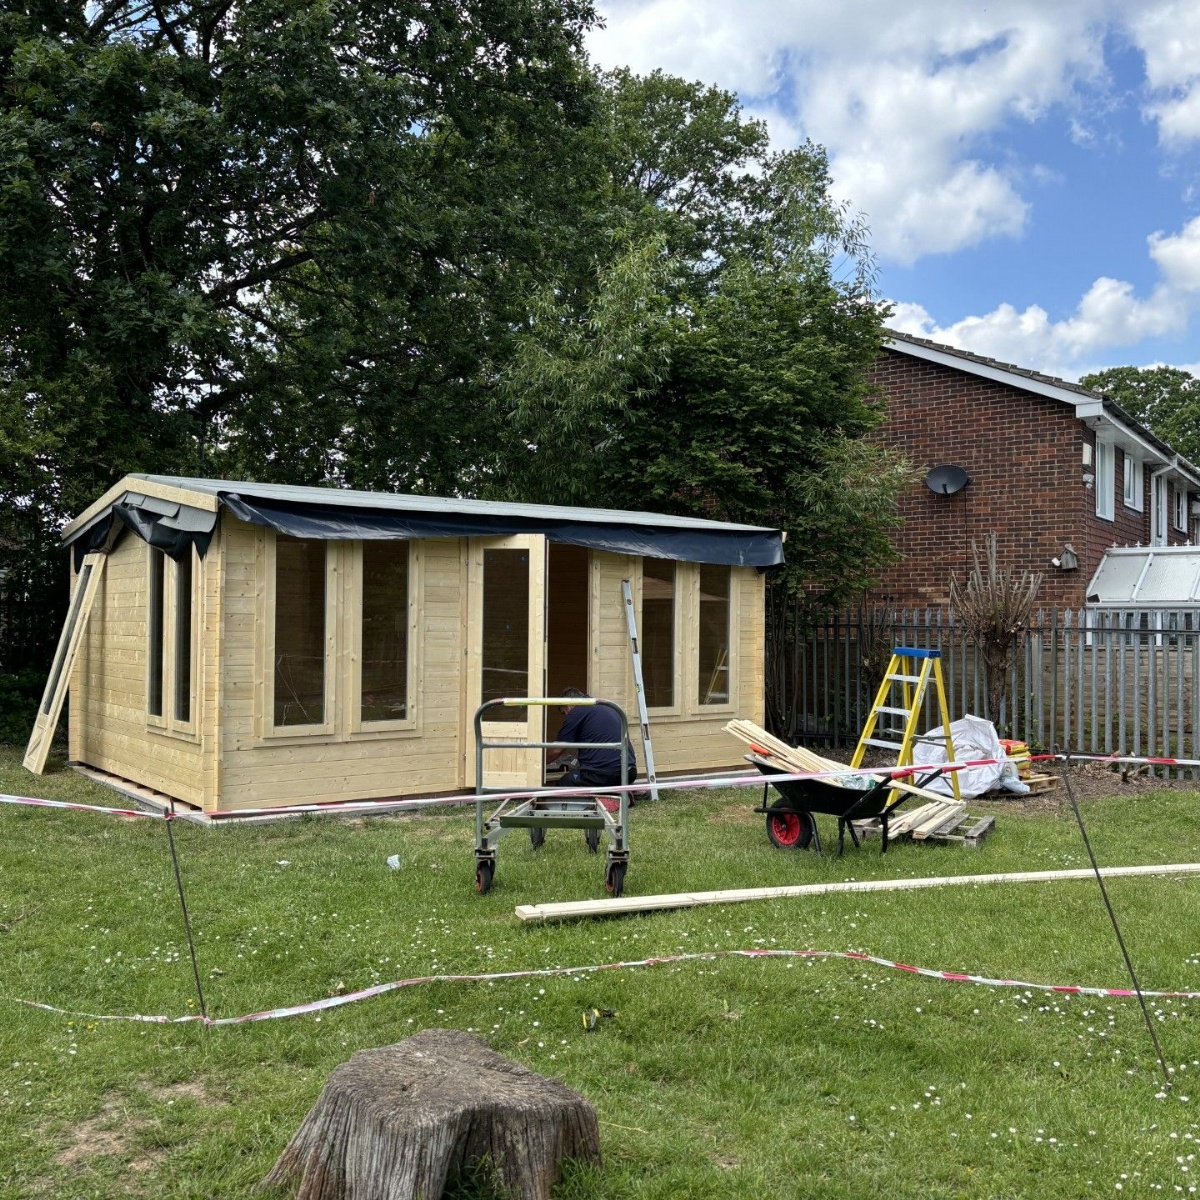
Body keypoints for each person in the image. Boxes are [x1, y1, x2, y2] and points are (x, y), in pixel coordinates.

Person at [546, 687, 638, 793]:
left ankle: (606, 796)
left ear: (570, 705)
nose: (566, 716)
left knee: (564, 783)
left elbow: (557, 750)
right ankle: (618, 793)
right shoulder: (609, 708)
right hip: (629, 772)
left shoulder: (576, 712)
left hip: (602, 775)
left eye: (564, 712)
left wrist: (540, 763)